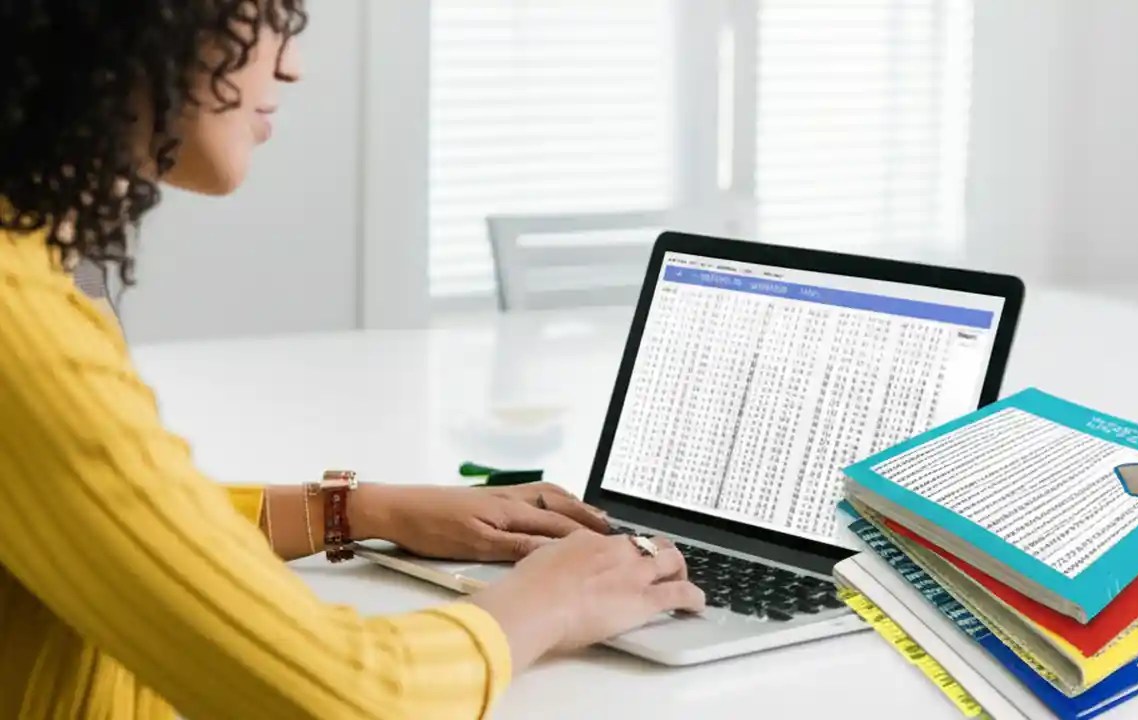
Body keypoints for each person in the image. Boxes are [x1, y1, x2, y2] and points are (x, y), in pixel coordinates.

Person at [0, 2, 704, 719]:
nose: (290, 63)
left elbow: (96, 512)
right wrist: (551, 602)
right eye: (266, 18)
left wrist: (358, 509)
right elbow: (346, 697)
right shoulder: (18, 321)